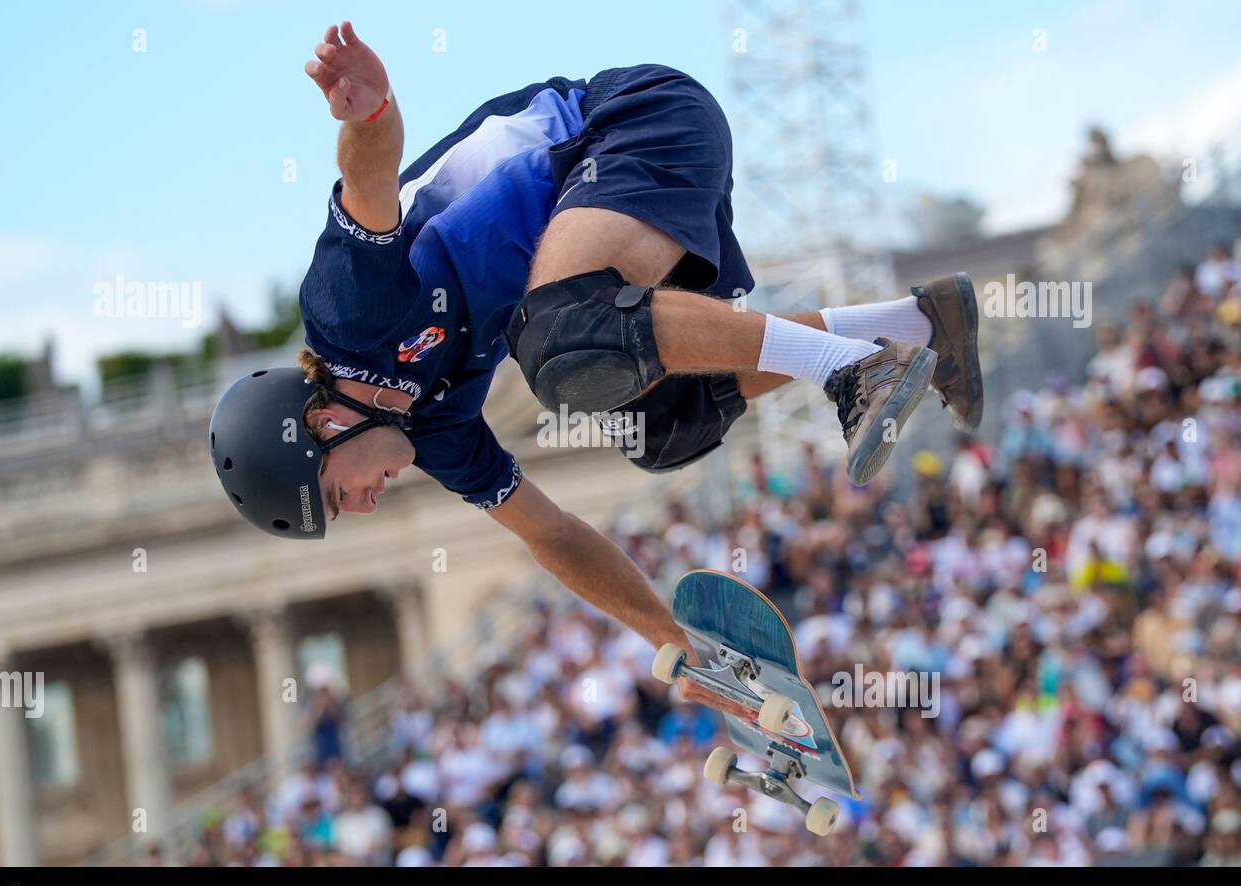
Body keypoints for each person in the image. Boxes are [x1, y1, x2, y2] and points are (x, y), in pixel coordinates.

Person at [208, 21, 983, 713]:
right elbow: (554, 536)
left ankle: (851, 370)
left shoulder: (347, 315)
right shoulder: (435, 430)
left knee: (564, 343)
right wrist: (675, 641)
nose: (369, 503)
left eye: (340, 494)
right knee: (660, 423)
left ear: (323, 422)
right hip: (625, 205)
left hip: (629, 126)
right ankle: (920, 326)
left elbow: (369, 182)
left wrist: (370, 112)